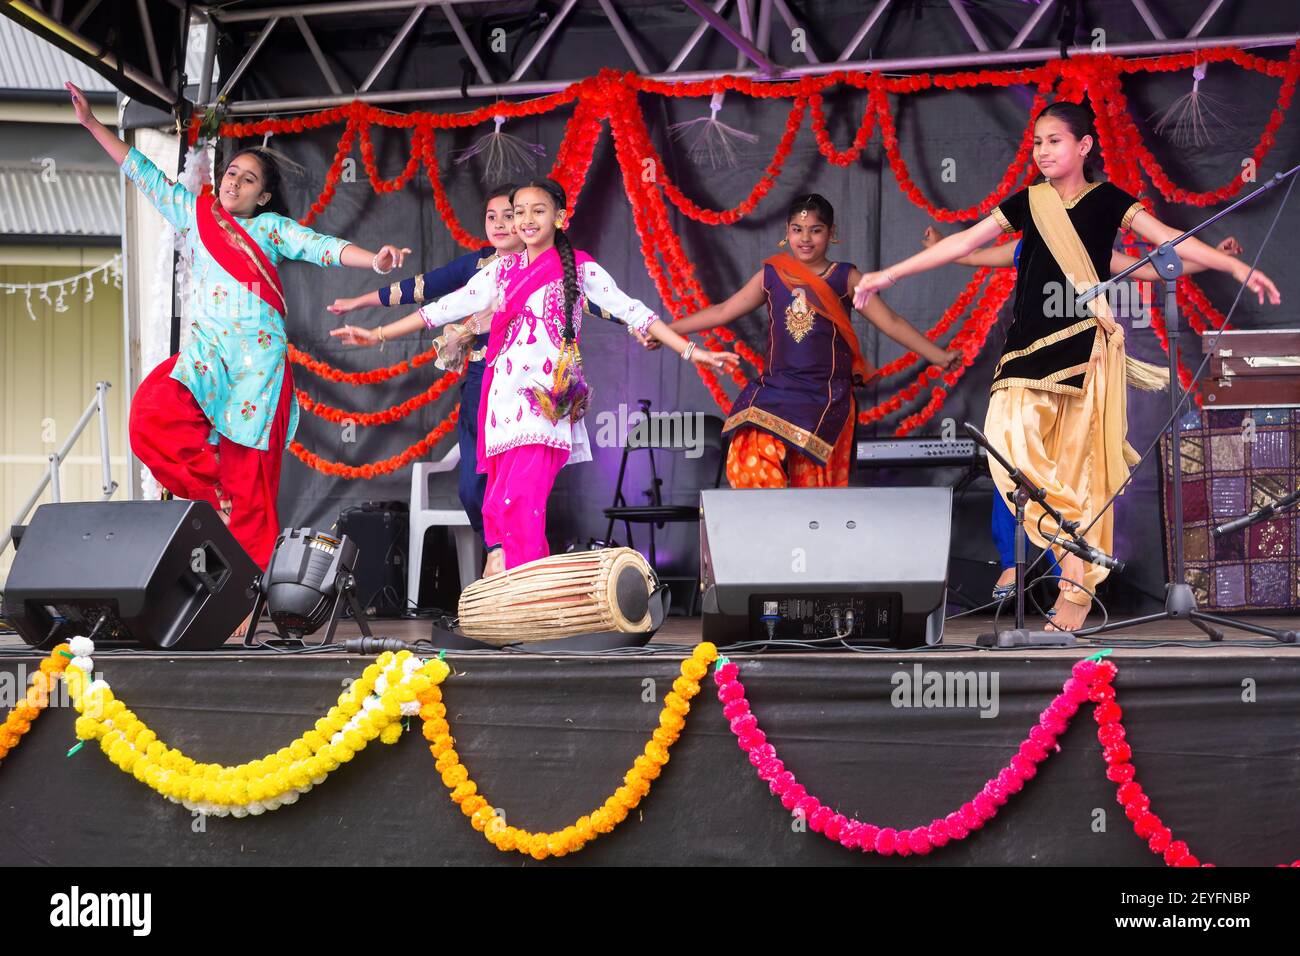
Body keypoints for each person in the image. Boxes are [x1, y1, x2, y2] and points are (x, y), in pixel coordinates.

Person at [854, 101, 1280, 631]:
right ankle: (1076, 567)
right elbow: (966, 241)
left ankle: (1075, 591)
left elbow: (1164, 243)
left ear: (1084, 146)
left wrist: (1231, 263)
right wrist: (888, 276)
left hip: (1081, 353)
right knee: (1011, 453)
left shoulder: (1109, 204)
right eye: (1037, 142)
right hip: (1025, 351)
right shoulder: (1029, 203)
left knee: (1077, 474)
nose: (1043, 151)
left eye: (1054, 140)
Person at [68, 82, 412, 635]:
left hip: (256, 371)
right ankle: (213, 493)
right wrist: (91, 125)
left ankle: (242, 605)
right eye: (231, 174)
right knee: (152, 415)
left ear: (263, 198)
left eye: (248, 179)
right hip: (207, 356)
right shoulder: (194, 213)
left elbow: (320, 246)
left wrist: (374, 260)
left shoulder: (270, 230)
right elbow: (143, 172)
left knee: (252, 491)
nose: (234, 182)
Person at [332, 177, 741, 576]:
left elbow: (635, 310)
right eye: (519, 212)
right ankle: (513, 598)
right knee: (496, 503)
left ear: (559, 217)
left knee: (520, 498)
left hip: (544, 401)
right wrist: (377, 333)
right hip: (500, 402)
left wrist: (692, 351)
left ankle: (528, 602)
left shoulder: (580, 270)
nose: (526, 220)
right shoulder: (500, 270)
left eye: (538, 211)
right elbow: (445, 308)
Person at [920, 225, 1245, 600]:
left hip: (1077, 375)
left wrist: (1215, 258)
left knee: (1068, 476)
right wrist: (938, 246)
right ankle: (1013, 560)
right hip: (1030, 372)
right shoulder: (1027, 245)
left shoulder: (1093, 247)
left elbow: (1153, 268)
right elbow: (971, 254)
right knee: (1010, 463)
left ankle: (1068, 580)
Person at [644, 194, 959, 488]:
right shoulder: (772, 275)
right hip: (778, 388)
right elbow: (724, 310)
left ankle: (801, 542)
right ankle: (772, 535)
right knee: (751, 453)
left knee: (811, 491)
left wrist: (939, 356)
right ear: (787, 231)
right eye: (798, 229)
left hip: (825, 395)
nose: (805, 239)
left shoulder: (845, 277)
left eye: (815, 230)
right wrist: (666, 330)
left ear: (831, 233)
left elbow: (891, 323)